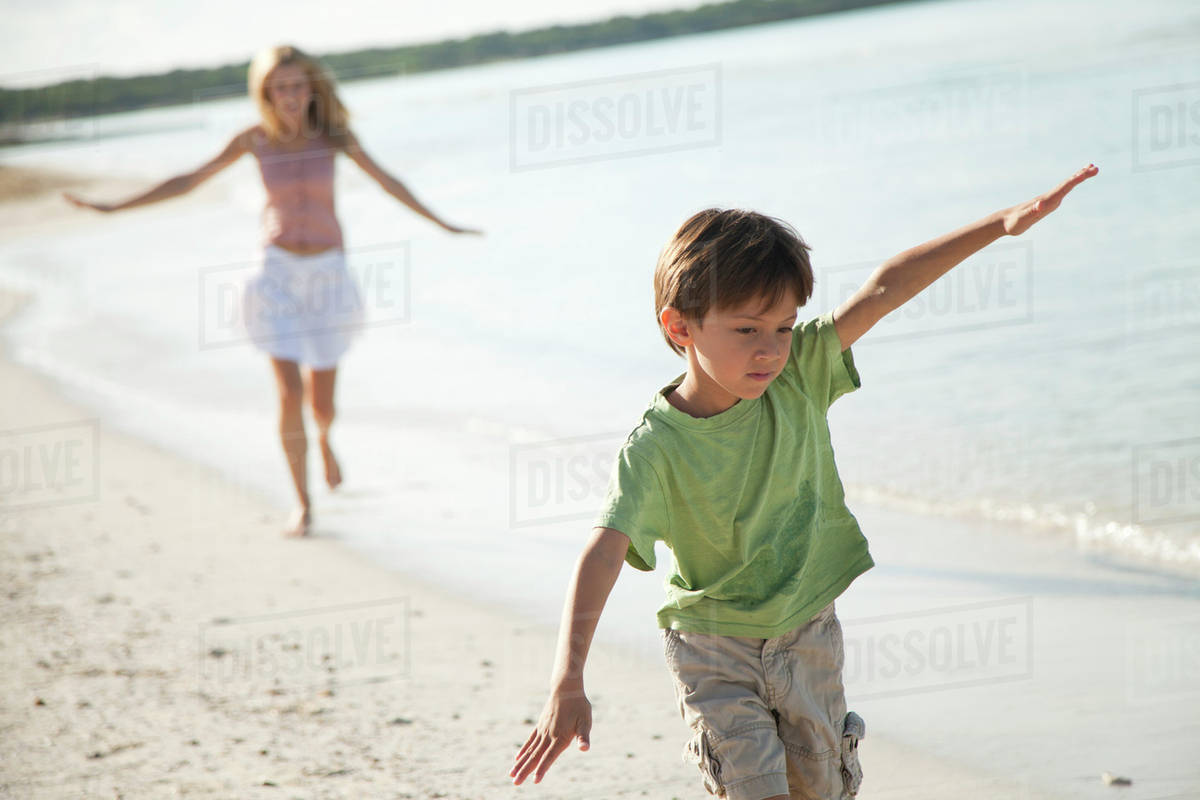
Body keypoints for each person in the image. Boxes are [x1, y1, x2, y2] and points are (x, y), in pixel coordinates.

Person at [509, 164, 1098, 799]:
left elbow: (885, 288)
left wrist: (1000, 226)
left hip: (809, 633)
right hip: (714, 649)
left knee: (821, 789)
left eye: (784, 327)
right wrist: (567, 679)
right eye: (746, 330)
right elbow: (603, 551)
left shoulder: (801, 374)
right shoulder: (656, 446)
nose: (770, 349)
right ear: (679, 327)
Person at [64, 44, 481, 537]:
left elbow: (389, 182)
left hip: (328, 276)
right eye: (280, 87)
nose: (290, 94)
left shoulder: (334, 137)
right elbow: (189, 180)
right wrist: (115, 208)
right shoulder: (254, 140)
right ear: (265, 92)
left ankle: (324, 437)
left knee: (322, 404)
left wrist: (444, 224)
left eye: (298, 84)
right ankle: (303, 503)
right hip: (276, 274)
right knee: (287, 393)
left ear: (311, 88)